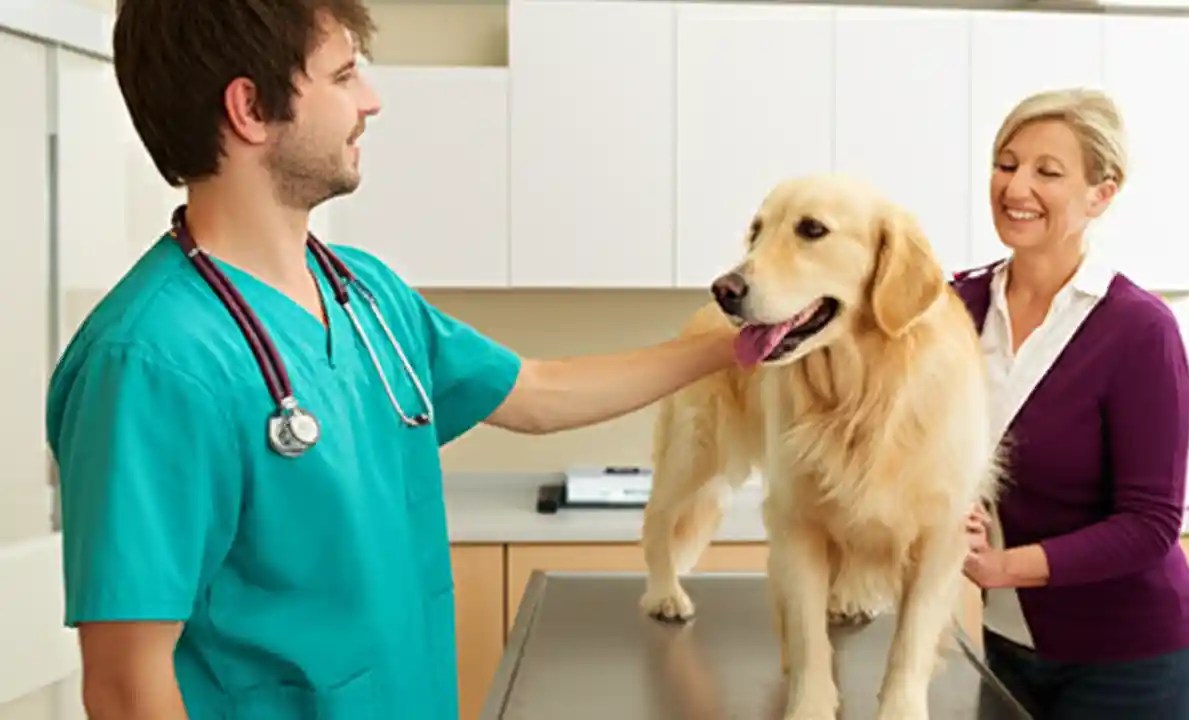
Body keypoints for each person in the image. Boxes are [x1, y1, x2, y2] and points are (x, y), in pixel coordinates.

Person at [45, 2, 736, 718]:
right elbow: (125, 688)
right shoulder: (150, 363)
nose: (370, 101)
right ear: (250, 108)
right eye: (344, 75)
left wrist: (726, 348)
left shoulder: (366, 295)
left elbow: (535, 392)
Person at [952, 87, 1189, 719]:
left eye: (1048, 172)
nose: (1016, 187)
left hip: (1130, 664)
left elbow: (1150, 523)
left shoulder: (1139, 329)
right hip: (1007, 643)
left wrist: (1004, 567)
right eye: (1006, 164)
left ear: (1101, 194)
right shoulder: (956, 307)